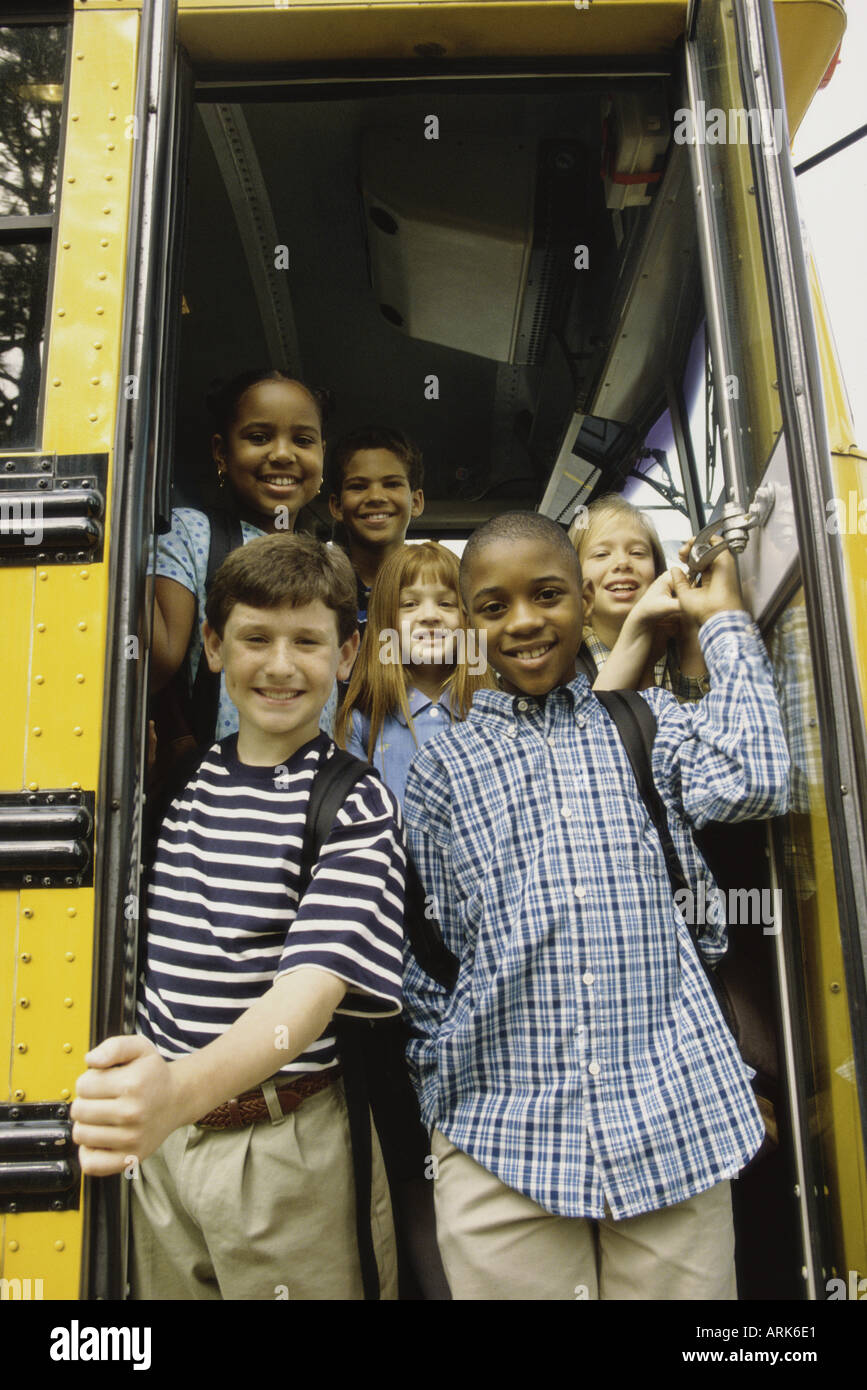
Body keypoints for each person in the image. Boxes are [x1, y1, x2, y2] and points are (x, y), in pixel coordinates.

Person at [402, 511, 790, 1301]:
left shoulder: (644, 725)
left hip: (670, 1116)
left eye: (546, 594)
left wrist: (720, 623)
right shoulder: (443, 766)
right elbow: (431, 950)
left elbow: (758, 777)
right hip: (500, 1135)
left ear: (582, 601)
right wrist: (444, 1085)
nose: (522, 622)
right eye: (492, 607)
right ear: (472, 625)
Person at [72, 533, 407, 1300]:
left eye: (308, 642)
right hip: (159, 1149)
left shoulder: (353, 804)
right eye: (255, 638)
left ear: (348, 653)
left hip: (284, 1148)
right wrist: (157, 1110)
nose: (281, 665)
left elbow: (311, 991)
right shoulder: (175, 784)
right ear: (215, 647)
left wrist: (172, 1094)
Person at [150, 369, 331, 745]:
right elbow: (159, 660)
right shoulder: (192, 534)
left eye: (302, 440)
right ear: (221, 452)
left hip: (314, 790)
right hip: (220, 789)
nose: (282, 454)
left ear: (322, 454)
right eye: (259, 437)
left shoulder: (328, 562)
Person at [336, 541, 492, 802]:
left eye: (446, 603)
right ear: (385, 619)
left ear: (467, 619)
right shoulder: (360, 724)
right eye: (409, 604)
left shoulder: (496, 716)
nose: (430, 615)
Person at [570, 493, 709, 701]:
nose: (623, 562)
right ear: (574, 579)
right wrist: (639, 623)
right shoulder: (568, 661)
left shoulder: (676, 648)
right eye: (601, 554)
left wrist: (690, 635)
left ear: (658, 571)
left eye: (637, 552)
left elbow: (701, 720)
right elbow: (591, 728)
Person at [328, 426, 425, 634]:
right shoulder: (318, 586)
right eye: (358, 486)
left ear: (416, 502)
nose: (375, 497)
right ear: (336, 506)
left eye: (391, 484)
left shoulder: (440, 586)